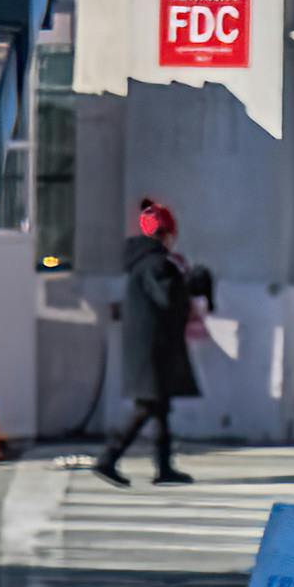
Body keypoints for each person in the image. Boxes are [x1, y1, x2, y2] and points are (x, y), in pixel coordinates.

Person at [91, 196, 212, 486]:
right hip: (153, 352)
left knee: (159, 409)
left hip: (149, 350)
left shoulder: (142, 264)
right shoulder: (157, 265)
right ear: (166, 234)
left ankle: (164, 467)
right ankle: (109, 458)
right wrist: (191, 282)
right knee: (147, 408)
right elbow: (169, 298)